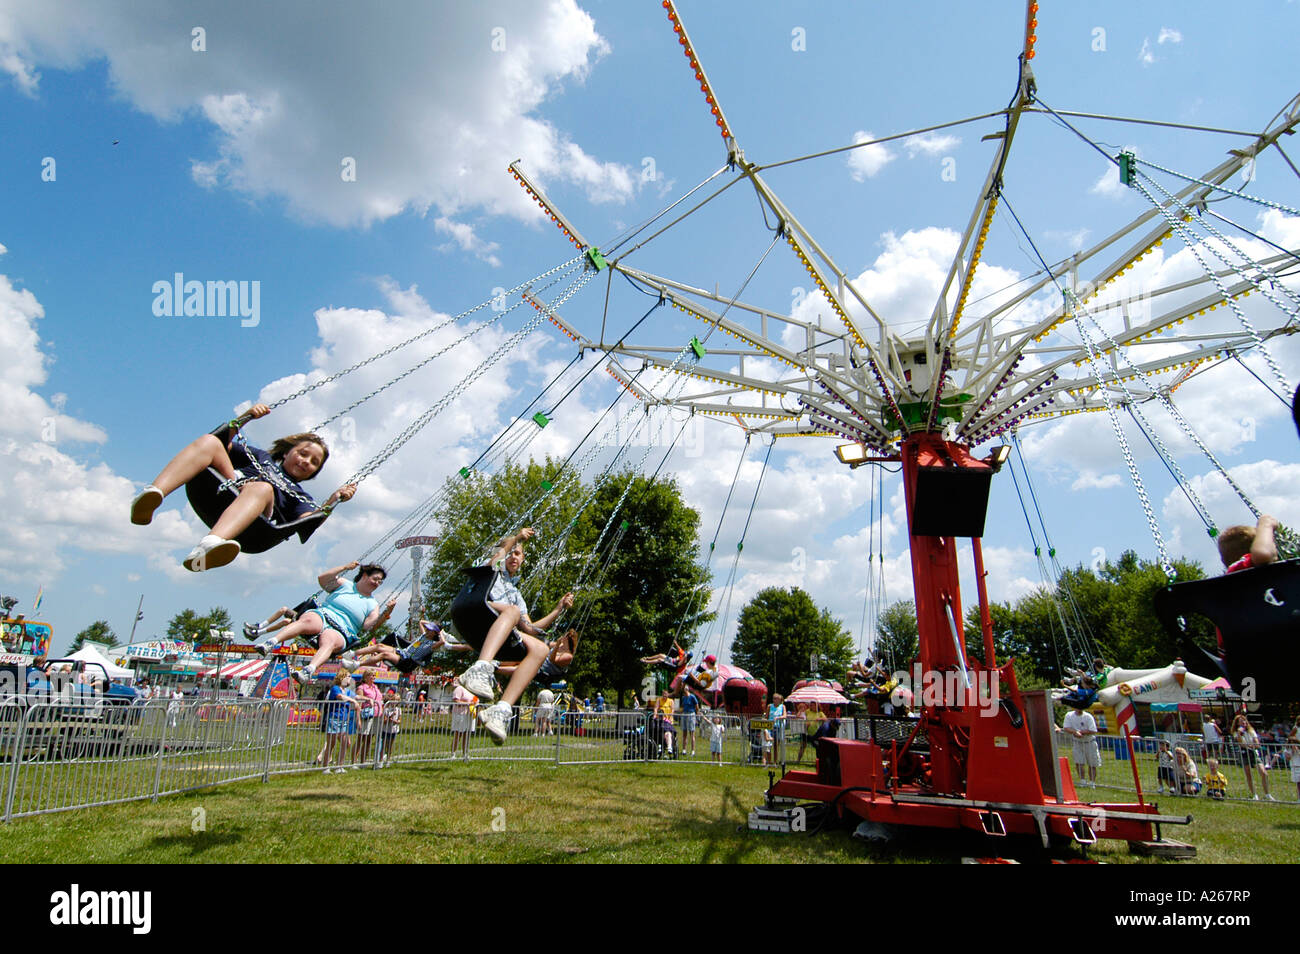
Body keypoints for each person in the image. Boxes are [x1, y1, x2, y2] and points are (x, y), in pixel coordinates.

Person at [129, 403, 357, 571]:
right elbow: (221, 441)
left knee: (262, 488)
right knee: (211, 442)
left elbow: (308, 522)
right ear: (287, 452)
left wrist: (333, 500)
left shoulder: (299, 496)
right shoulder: (261, 457)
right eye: (303, 453)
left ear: (315, 472)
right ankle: (153, 495)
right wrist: (245, 417)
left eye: (314, 462)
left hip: (252, 530)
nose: (306, 461)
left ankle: (211, 544)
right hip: (217, 492)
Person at [452, 528, 575, 745]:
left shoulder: (516, 594)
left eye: (518, 554)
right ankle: (480, 668)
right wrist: (516, 539)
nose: (514, 557)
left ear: (524, 559)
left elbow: (529, 628)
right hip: (475, 610)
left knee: (540, 649)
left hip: (498, 628)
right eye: (512, 552)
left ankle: (501, 710)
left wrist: (558, 610)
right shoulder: (495, 571)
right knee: (512, 612)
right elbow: (499, 555)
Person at [252, 562, 396, 686]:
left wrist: (386, 613)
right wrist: (345, 567)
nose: (377, 583)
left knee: (330, 640)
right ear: (365, 575)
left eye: (380, 582)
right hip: (324, 615)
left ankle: (309, 670)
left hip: (344, 630)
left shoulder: (373, 604)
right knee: (308, 619)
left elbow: (369, 626)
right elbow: (323, 579)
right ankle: (271, 642)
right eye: (375, 579)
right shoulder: (345, 584)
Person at [344, 619, 471, 674]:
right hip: (402, 652)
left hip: (407, 661)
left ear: (435, 633)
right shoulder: (423, 636)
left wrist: (439, 631)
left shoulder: (432, 644)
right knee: (380, 646)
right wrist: (431, 625)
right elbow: (421, 621)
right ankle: (353, 654)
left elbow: (443, 642)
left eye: (430, 630)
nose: (427, 630)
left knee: (384, 654)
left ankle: (356, 665)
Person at [322, 673, 360, 774]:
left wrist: (368, 699)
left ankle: (339, 765)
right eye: (347, 677)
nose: (349, 679)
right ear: (341, 678)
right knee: (331, 743)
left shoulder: (347, 691)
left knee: (346, 743)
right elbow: (339, 696)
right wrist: (352, 701)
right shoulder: (335, 688)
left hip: (343, 720)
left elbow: (356, 696)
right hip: (334, 718)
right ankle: (325, 767)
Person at [1232, 712, 1274, 800]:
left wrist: (1251, 745)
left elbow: (1257, 743)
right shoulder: (1236, 732)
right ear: (1237, 724)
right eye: (1241, 721)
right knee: (1249, 775)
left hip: (1253, 753)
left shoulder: (1251, 731)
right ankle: (1254, 794)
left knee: (1264, 773)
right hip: (1244, 753)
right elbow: (1241, 743)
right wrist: (1240, 733)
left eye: (1244, 721)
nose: (1243, 723)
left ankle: (1267, 794)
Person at [243, 596, 319, 641]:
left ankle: (257, 633)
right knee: (284, 609)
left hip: (310, 622)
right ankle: (259, 626)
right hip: (303, 614)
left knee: (285, 621)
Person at [1061, 706, 1100, 787]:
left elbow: (1093, 730)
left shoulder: (1088, 716)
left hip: (1089, 742)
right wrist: (1075, 732)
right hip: (1077, 743)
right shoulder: (1069, 715)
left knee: (1092, 763)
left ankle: (1092, 783)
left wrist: (1081, 733)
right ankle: (1082, 781)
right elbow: (1066, 727)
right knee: (1079, 762)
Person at [353, 669, 384, 766]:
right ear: (366, 677)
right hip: (366, 715)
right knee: (361, 737)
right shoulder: (361, 688)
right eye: (371, 675)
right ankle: (354, 761)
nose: (373, 677)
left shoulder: (375, 687)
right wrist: (358, 718)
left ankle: (363, 761)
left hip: (377, 715)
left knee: (369, 739)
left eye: (374, 675)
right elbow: (358, 703)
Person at [450, 682, 475, 758]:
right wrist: (467, 703)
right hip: (460, 714)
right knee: (458, 734)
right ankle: (453, 754)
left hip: (469, 714)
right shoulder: (459, 689)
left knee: (466, 735)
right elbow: (456, 701)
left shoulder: (472, 690)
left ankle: (465, 754)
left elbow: (475, 700)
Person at [378, 688, 401, 767]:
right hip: (386, 729)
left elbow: (399, 721)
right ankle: (380, 761)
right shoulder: (386, 709)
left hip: (394, 730)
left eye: (397, 700)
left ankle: (388, 760)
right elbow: (384, 721)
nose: (395, 702)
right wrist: (390, 717)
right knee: (384, 744)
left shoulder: (399, 710)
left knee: (390, 745)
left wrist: (395, 721)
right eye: (394, 700)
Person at [767, 693, 787, 765]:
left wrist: (778, 718)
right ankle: (768, 761)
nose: (774, 700)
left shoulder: (782, 706)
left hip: (778, 727)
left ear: (779, 700)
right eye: (773, 698)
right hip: (770, 726)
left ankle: (775, 761)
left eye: (776, 698)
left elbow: (785, 715)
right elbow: (767, 716)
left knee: (776, 745)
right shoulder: (769, 706)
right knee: (768, 744)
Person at [679, 689, 699, 756]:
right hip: (684, 714)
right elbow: (682, 706)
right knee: (684, 733)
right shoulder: (683, 698)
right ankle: (684, 750)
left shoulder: (692, 697)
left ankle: (693, 750)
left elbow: (697, 706)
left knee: (692, 733)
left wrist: (696, 713)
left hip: (691, 714)